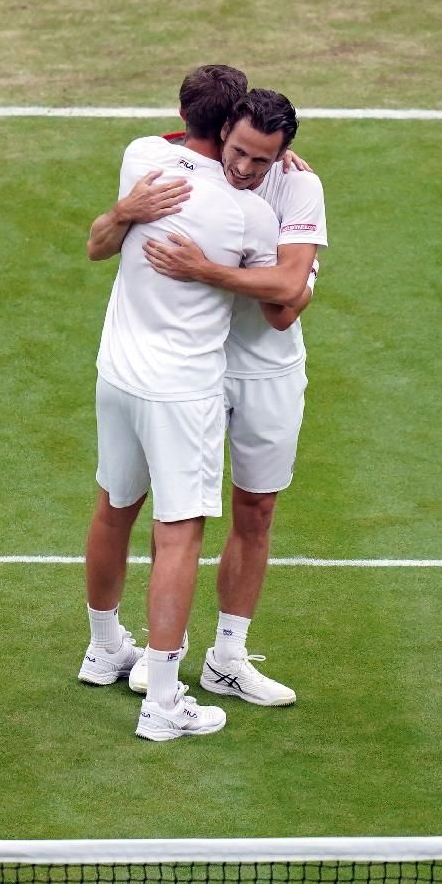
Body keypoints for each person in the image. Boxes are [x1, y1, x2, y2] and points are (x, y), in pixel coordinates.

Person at [76, 69, 293, 742]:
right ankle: (164, 703)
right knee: (179, 536)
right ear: (229, 126)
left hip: (117, 376)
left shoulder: (141, 159)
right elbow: (282, 301)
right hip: (182, 392)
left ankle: (103, 649)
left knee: (114, 508)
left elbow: (100, 240)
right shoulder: (250, 214)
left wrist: (128, 211)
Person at [128, 115, 326, 708]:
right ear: (223, 137)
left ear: (284, 154)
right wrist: (273, 275)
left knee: (256, 511)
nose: (243, 168)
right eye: (237, 151)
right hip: (197, 369)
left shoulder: (300, 187)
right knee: (178, 513)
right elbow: (282, 287)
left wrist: (205, 270)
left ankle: (228, 660)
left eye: (261, 159)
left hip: (270, 372)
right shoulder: (190, 169)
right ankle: (164, 650)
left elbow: (283, 310)